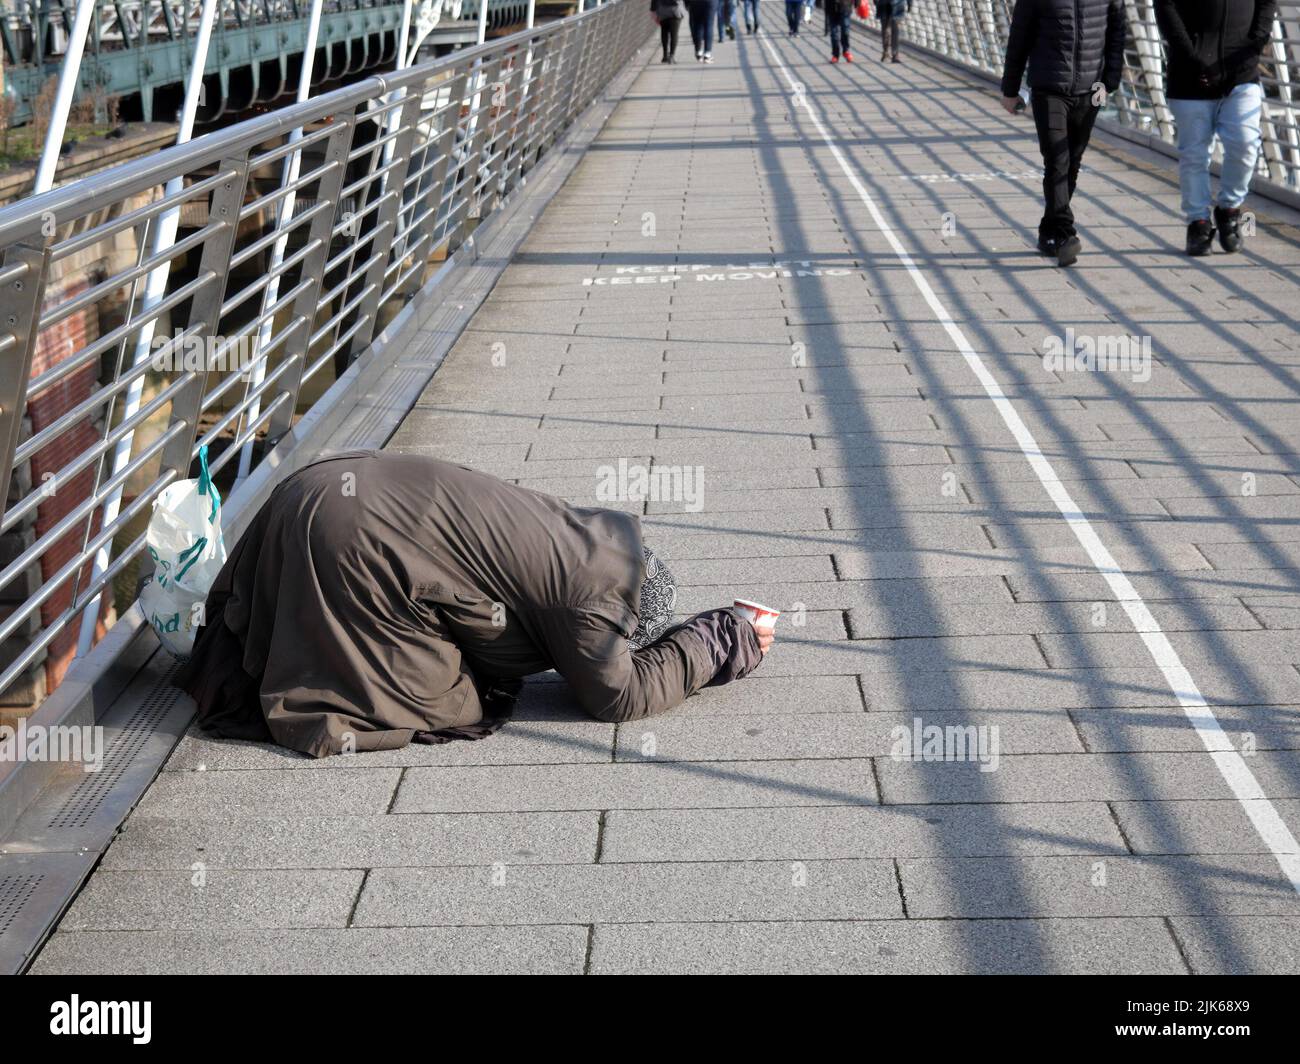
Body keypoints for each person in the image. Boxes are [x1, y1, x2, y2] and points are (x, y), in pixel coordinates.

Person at [176, 452, 772, 759]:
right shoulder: (591, 602)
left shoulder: (591, 537)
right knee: (439, 696)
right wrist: (726, 637)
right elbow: (620, 696)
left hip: (319, 483)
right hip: (345, 534)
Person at [1000, 0, 1125, 267]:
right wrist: (1010, 89)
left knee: (1072, 162)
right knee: (1057, 160)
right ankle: (1065, 233)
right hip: (1049, 87)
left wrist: (1110, 79)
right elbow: (1020, 36)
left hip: (1091, 89)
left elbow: (1117, 30)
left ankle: (1048, 230)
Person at [1155, 0, 1277, 256]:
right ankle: (1198, 223)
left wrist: (1254, 45)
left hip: (1241, 73)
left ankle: (1229, 209)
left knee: (1245, 143)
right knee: (1195, 154)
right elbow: (1165, 6)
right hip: (1189, 74)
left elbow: (1266, 3)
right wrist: (1190, 57)